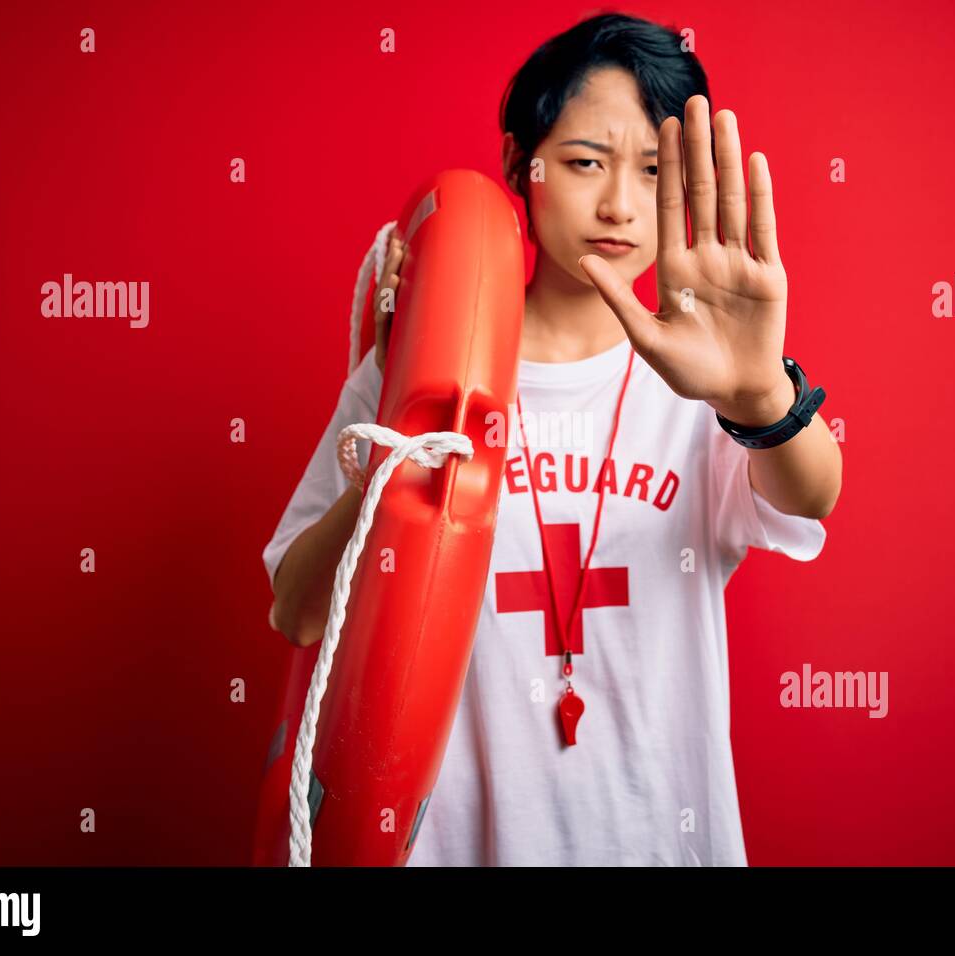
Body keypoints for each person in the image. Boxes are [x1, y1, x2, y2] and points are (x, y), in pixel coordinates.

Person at [262, 12, 842, 866]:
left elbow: (812, 494)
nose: (618, 204)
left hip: (662, 834)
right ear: (516, 167)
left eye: (653, 171)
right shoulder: (414, 373)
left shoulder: (705, 372)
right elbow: (300, 613)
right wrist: (407, 422)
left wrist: (758, 391)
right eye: (583, 163)